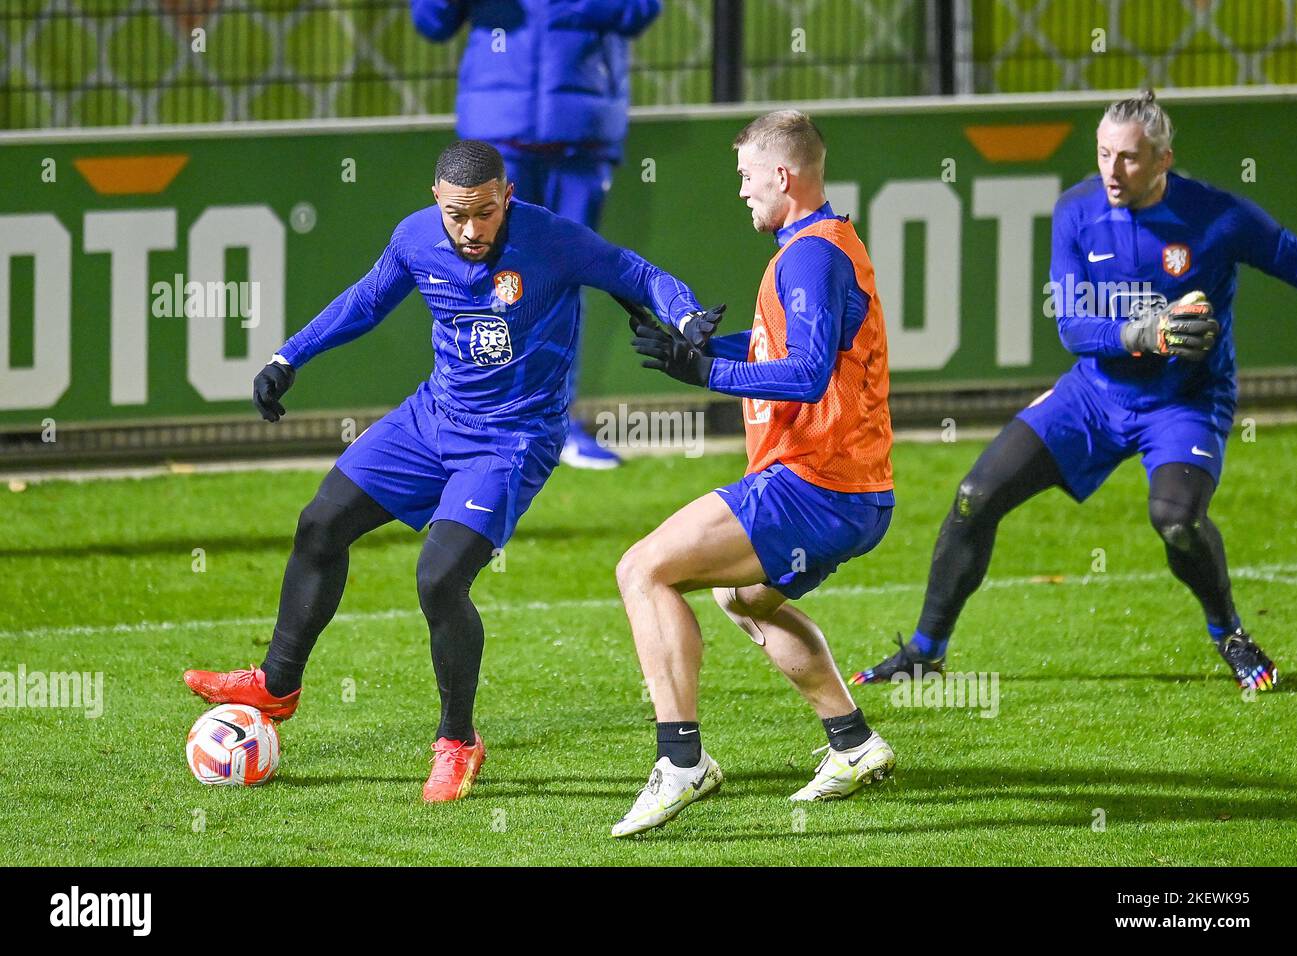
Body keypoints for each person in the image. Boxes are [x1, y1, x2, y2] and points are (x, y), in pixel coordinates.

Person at [183, 140, 718, 802]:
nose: (471, 231)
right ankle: (277, 682)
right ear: (437, 198)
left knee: (439, 578)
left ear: (507, 198)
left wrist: (686, 314)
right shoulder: (415, 238)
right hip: (431, 419)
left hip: (511, 441)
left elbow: (636, 273)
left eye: (485, 214)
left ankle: (458, 741)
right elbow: (366, 300)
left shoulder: (550, 240)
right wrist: (288, 357)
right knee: (321, 523)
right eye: (458, 215)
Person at [853, 90, 1297, 692]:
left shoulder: (1219, 217)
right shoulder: (1077, 210)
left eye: (1131, 158)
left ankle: (1230, 635)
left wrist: (1165, 339)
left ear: (1165, 159)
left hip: (1183, 403)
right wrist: (1147, 330)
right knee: (973, 496)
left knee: (1176, 520)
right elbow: (1071, 326)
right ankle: (927, 652)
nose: (1113, 171)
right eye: (1104, 154)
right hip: (1093, 395)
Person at [609, 111, 896, 837]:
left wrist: (704, 369)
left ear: (782, 175)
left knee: (644, 570)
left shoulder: (808, 256)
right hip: (853, 490)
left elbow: (802, 375)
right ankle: (854, 745)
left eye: (745, 177)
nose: (740, 191)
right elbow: (795, 347)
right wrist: (701, 341)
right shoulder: (822, 245)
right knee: (746, 597)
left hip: (814, 482)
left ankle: (681, 763)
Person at [411, 0, 663, 469]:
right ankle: (473, 421)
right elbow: (430, 21)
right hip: (499, 138)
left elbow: (640, 11)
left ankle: (554, 423)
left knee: (563, 282)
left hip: (580, 136)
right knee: (482, 279)